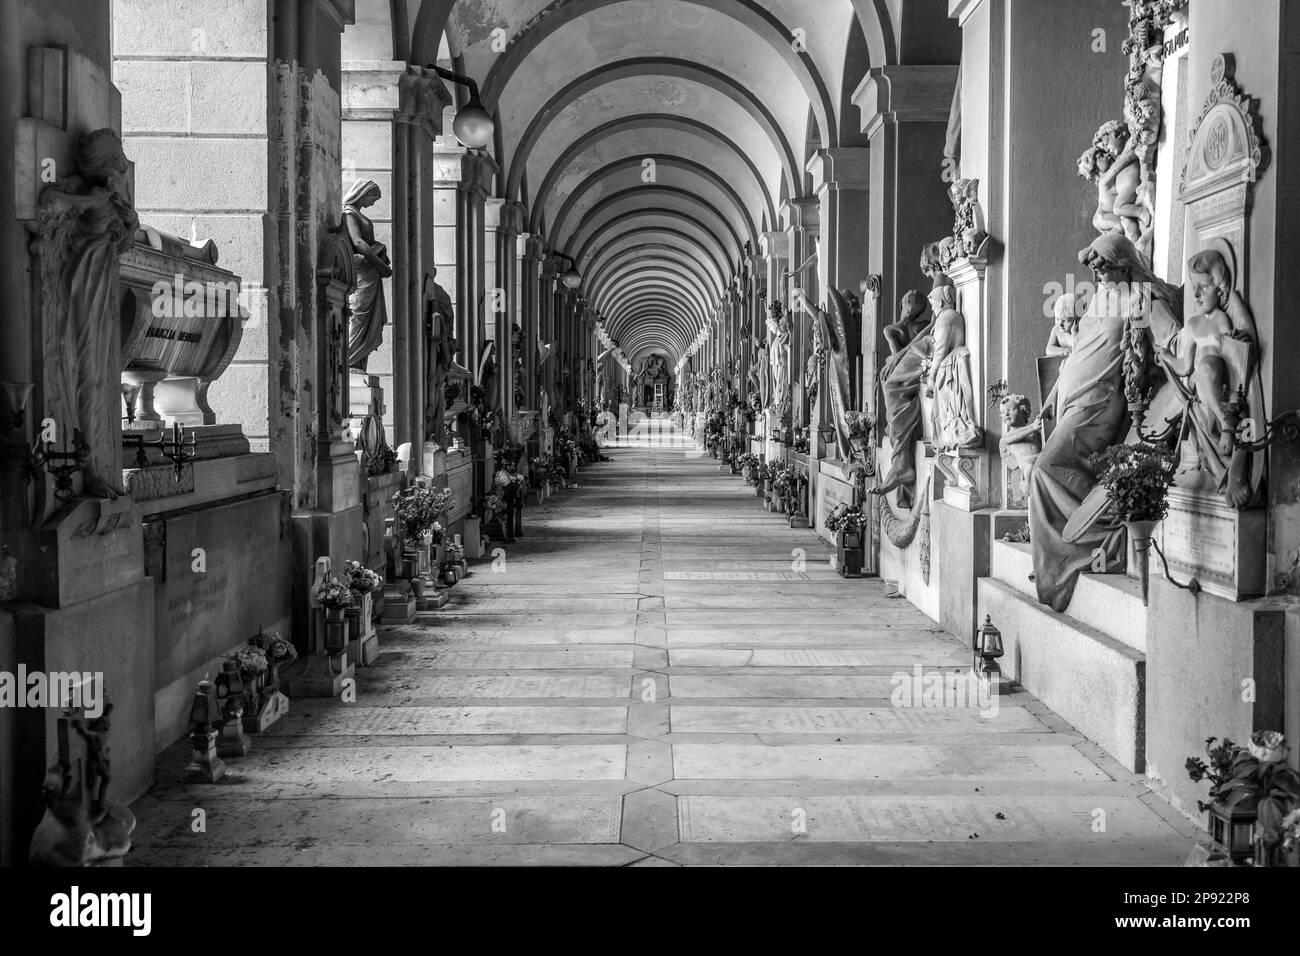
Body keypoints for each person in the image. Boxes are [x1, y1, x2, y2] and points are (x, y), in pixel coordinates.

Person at [1028, 233, 1180, 612]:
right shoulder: (1101, 297)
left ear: (1123, 264)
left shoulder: (1140, 298)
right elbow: (1079, 349)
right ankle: (1068, 553)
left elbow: (1173, 339)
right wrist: (1051, 398)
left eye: (1105, 268)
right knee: (1051, 470)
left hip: (1099, 407)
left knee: (1047, 468)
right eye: (1095, 270)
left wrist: (1184, 359)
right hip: (1072, 401)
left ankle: (1101, 542)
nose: (1099, 276)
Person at [343, 179, 392, 371]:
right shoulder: (349, 213)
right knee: (358, 315)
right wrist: (380, 265)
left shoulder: (357, 213)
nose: (372, 203)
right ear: (363, 193)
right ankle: (347, 360)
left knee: (367, 317)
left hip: (369, 273)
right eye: (372, 198)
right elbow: (359, 243)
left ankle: (357, 360)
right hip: (363, 272)